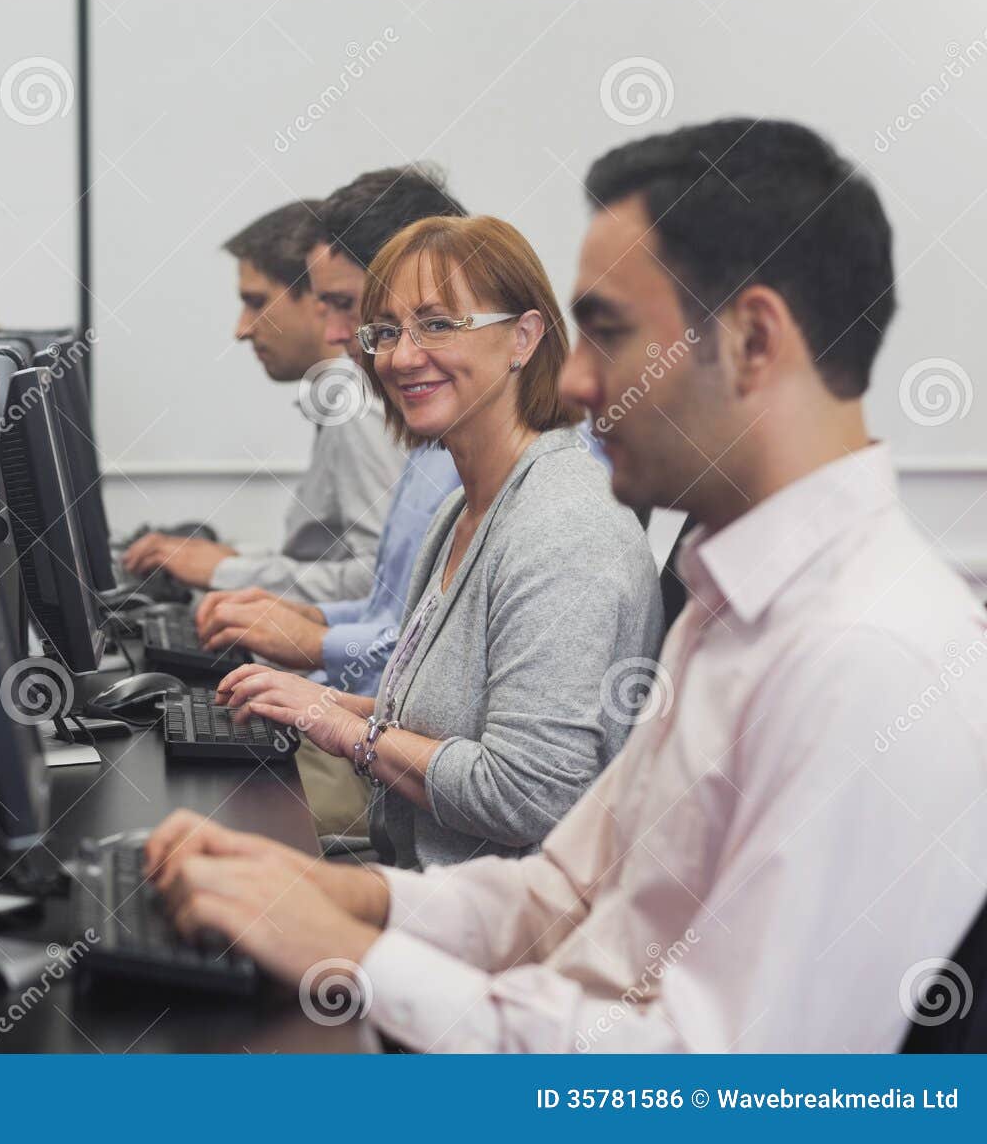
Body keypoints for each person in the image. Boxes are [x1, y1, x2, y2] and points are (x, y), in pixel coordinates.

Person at [145, 119, 987, 1052]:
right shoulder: (734, 600)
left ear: (752, 340)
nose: (579, 381)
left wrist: (354, 957)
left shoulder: (866, 655)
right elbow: (569, 888)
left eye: (610, 333)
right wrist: (347, 894)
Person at [215, 213, 663, 870]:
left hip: (506, 929)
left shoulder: (564, 526)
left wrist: (350, 729)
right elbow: (437, 719)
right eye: (388, 331)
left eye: (437, 324)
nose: (399, 356)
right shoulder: (463, 506)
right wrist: (322, 704)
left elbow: (525, 794)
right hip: (425, 877)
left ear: (524, 337)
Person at [195, 166, 466, 695]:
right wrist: (306, 616)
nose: (337, 333)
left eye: (343, 305)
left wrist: (311, 638)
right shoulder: (427, 434)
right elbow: (395, 608)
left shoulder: (380, 408)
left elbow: (441, 656)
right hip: (374, 715)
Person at [120, 201, 404, 602]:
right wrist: (233, 559)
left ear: (316, 300)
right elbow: (331, 557)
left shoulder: (356, 406)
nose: (241, 330)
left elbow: (379, 580)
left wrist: (224, 571)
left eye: (257, 303)